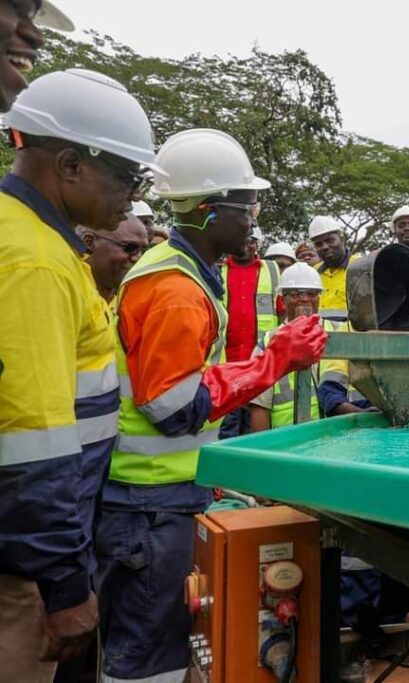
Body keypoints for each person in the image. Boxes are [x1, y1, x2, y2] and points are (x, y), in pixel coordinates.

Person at [97, 128, 326, 683]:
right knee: (149, 651)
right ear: (205, 211)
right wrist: (274, 362)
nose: (252, 220)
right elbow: (174, 408)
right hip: (148, 499)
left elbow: (187, 380)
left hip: (156, 492)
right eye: (244, 207)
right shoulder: (175, 288)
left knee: (162, 635)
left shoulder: (184, 273)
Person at [0, 66, 156, 682]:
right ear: (69, 164)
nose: (132, 193)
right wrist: (63, 583)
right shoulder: (34, 261)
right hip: (24, 570)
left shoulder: (44, 243)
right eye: (125, 175)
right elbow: (30, 440)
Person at [250, 262, 368, 431]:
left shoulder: (340, 333)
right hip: (289, 441)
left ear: (319, 298)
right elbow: (259, 407)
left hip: (337, 440)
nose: (304, 299)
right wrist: (262, 453)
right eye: (295, 294)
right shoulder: (268, 343)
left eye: (311, 293)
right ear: (282, 300)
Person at [218, 223, 280, 436]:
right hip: (226, 365)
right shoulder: (217, 271)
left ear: (257, 244)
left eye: (251, 240)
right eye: (243, 239)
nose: (247, 245)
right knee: (226, 428)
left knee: (253, 425)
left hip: (260, 364)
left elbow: (282, 312)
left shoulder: (272, 271)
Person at [78, 213, 149, 302]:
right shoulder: (65, 290)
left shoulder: (131, 302)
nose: (137, 258)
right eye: (130, 248)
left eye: (143, 250)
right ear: (88, 242)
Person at [309, 215, 357, 321]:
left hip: (353, 335)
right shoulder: (313, 273)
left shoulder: (360, 266)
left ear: (342, 239)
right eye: (319, 244)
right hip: (318, 335)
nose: (325, 247)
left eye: (330, 240)